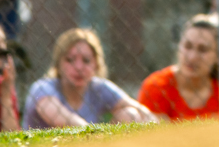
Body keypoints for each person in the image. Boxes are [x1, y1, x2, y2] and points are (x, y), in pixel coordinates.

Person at [23, 27, 156, 128]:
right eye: (70, 60)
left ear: (96, 65)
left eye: (86, 61)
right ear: (58, 64)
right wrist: (95, 137)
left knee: (130, 114)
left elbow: (140, 110)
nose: (79, 67)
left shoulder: (98, 87)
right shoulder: (42, 88)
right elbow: (62, 120)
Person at [138, 14, 219, 122]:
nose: (192, 57)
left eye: (203, 49)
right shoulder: (156, 86)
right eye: (187, 46)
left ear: (218, 56)